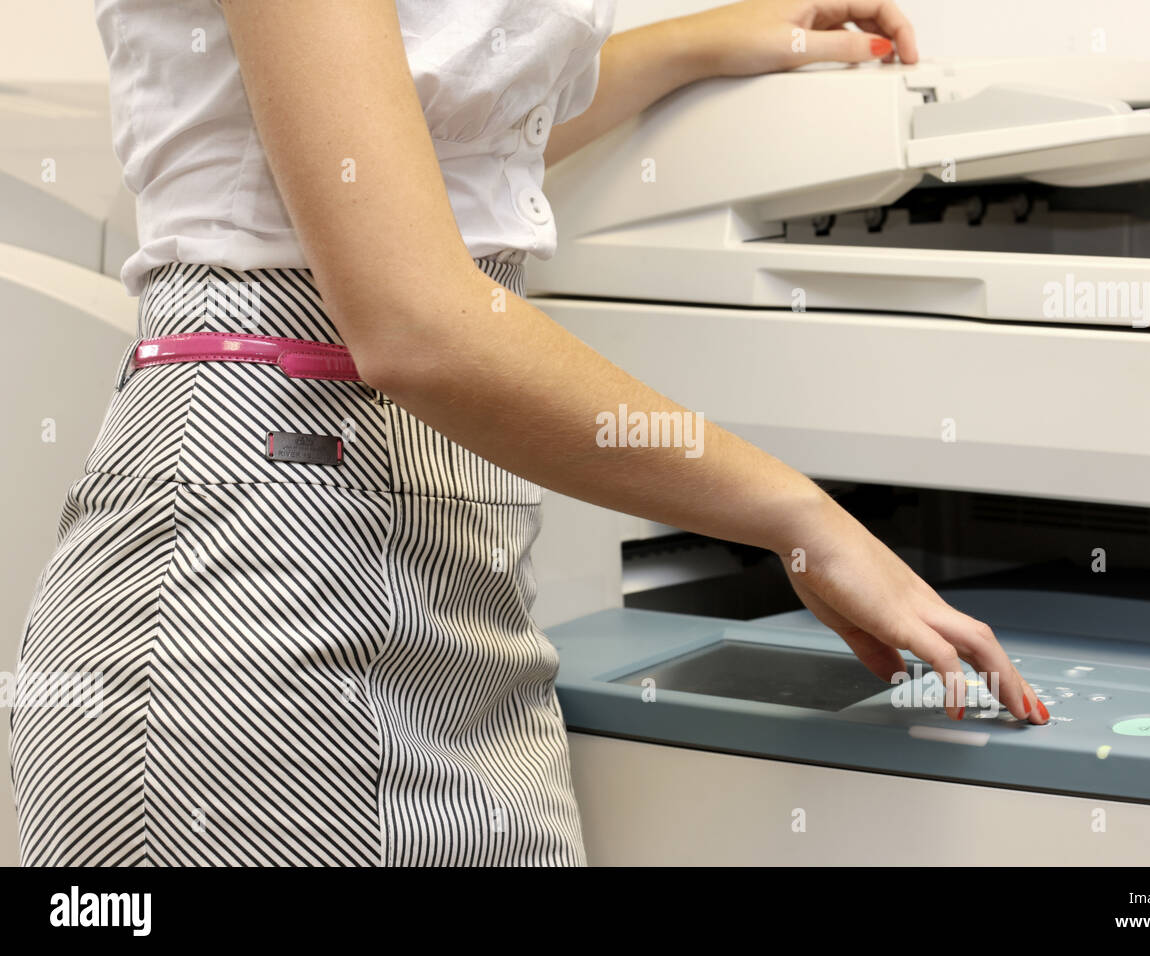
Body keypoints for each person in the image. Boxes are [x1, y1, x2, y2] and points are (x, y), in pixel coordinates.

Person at [10, 0, 1048, 867]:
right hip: (252, 590)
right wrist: (804, 521)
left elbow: (422, 144)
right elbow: (414, 325)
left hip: (454, 583)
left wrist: (706, 45)